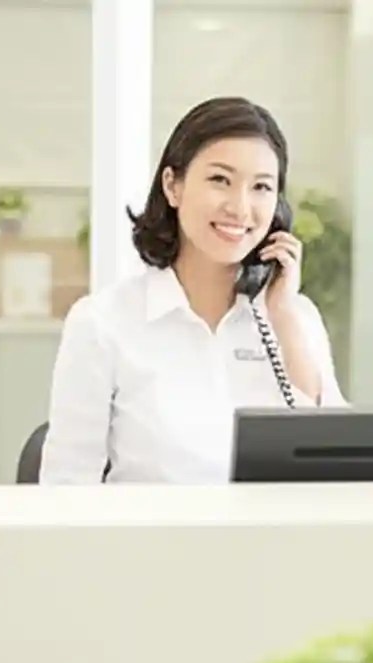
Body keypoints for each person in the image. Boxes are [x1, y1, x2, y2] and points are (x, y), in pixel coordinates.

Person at [39, 96, 346, 485]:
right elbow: (65, 486)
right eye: (220, 180)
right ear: (173, 186)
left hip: (268, 542)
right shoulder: (103, 322)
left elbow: (333, 468)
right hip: (148, 544)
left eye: (262, 187)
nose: (240, 207)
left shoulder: (295, 318)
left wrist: (283, 319)